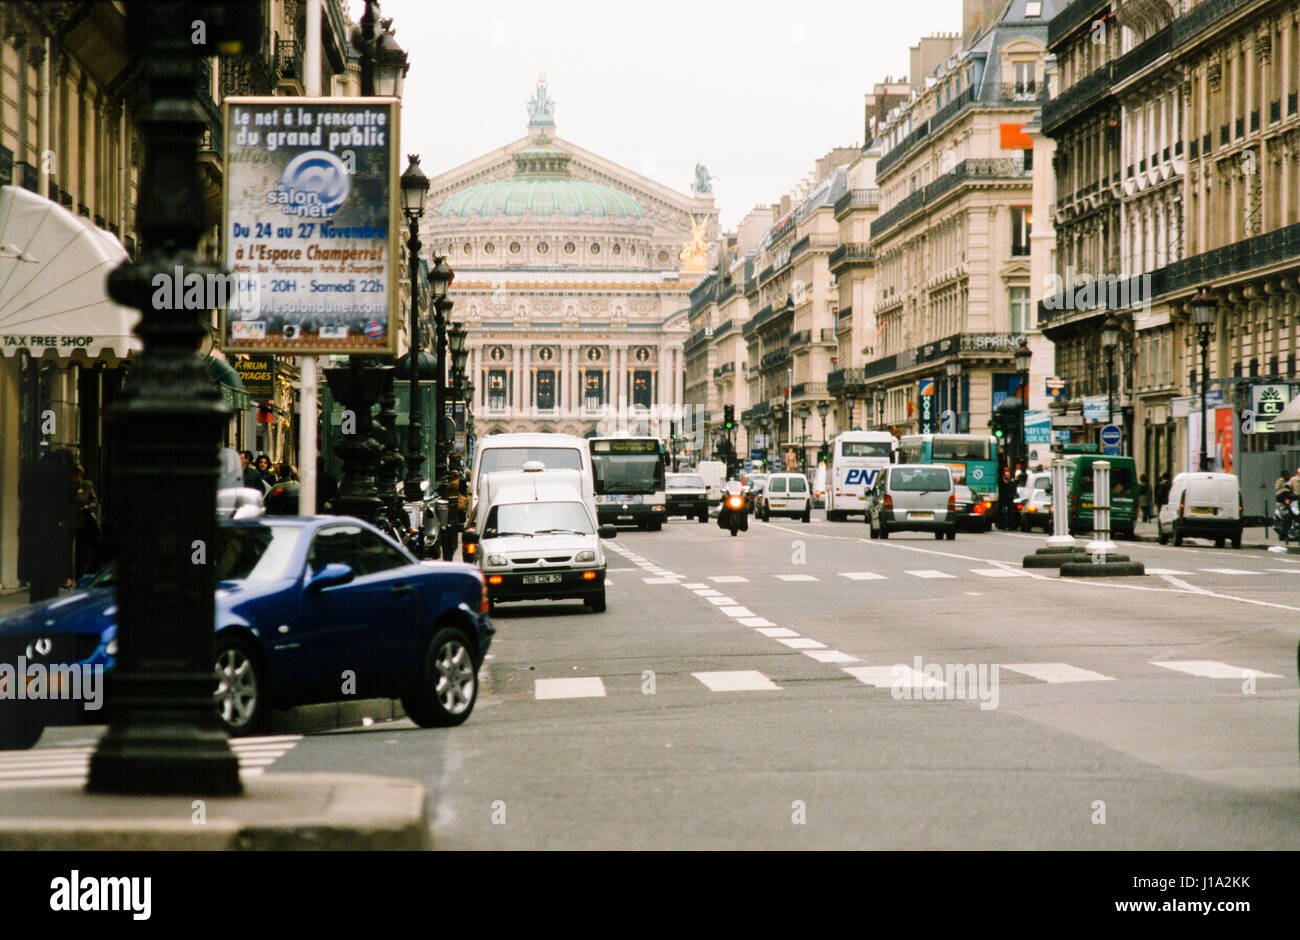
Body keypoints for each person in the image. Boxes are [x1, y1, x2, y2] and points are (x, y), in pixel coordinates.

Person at [69, 463, 102, 580]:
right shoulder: (66, 486)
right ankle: (68, 576)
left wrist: (87, 507)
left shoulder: (87, 485)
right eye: (74, 472)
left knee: (80, 551)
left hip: (81, 523)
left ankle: (79, 575)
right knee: (67, 551)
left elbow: (94, 501)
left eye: (78, 473)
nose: (76, 475)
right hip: (68, 522)